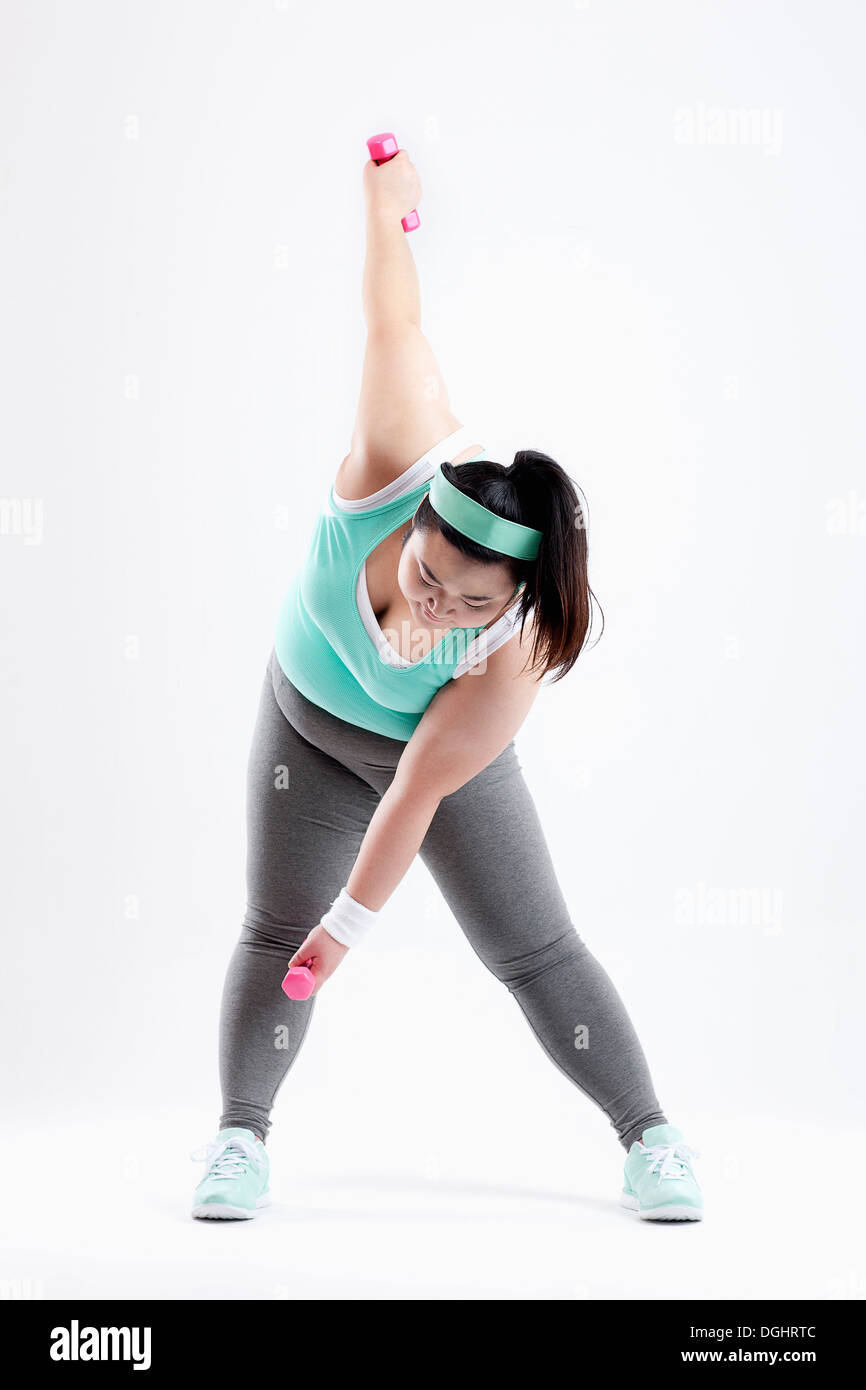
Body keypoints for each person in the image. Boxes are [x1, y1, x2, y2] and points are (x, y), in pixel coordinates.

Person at [190, 146, 702, 1224]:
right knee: (272, 930)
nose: (438, 607)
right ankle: (239, 1138)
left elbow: (419, 786)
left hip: (428, 762)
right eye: (429, 577)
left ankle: (650, 1137)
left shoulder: (513, 649)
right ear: (416, 516)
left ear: (507, 600)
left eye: (470, 603)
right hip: (302, 722)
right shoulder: (391, 451)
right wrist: (387, 203)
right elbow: (393, 317)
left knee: (534, 949)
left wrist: (347, 929)